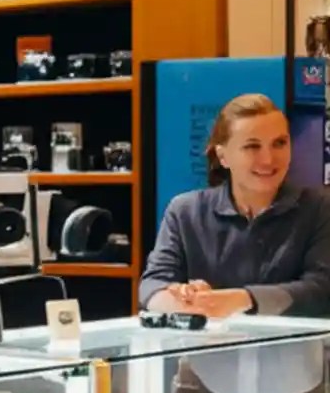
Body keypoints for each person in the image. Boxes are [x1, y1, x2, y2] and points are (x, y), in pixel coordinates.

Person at [140, 92, 330, 318]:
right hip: (206, 349)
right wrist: (185, 300)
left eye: (279, 143)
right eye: (252, 146)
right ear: (223, 156)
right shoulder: (184, 212)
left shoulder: (319, 208)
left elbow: (321, 289)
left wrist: (243, 300)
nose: (268, 159)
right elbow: (152, 284)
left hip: (296, 352)